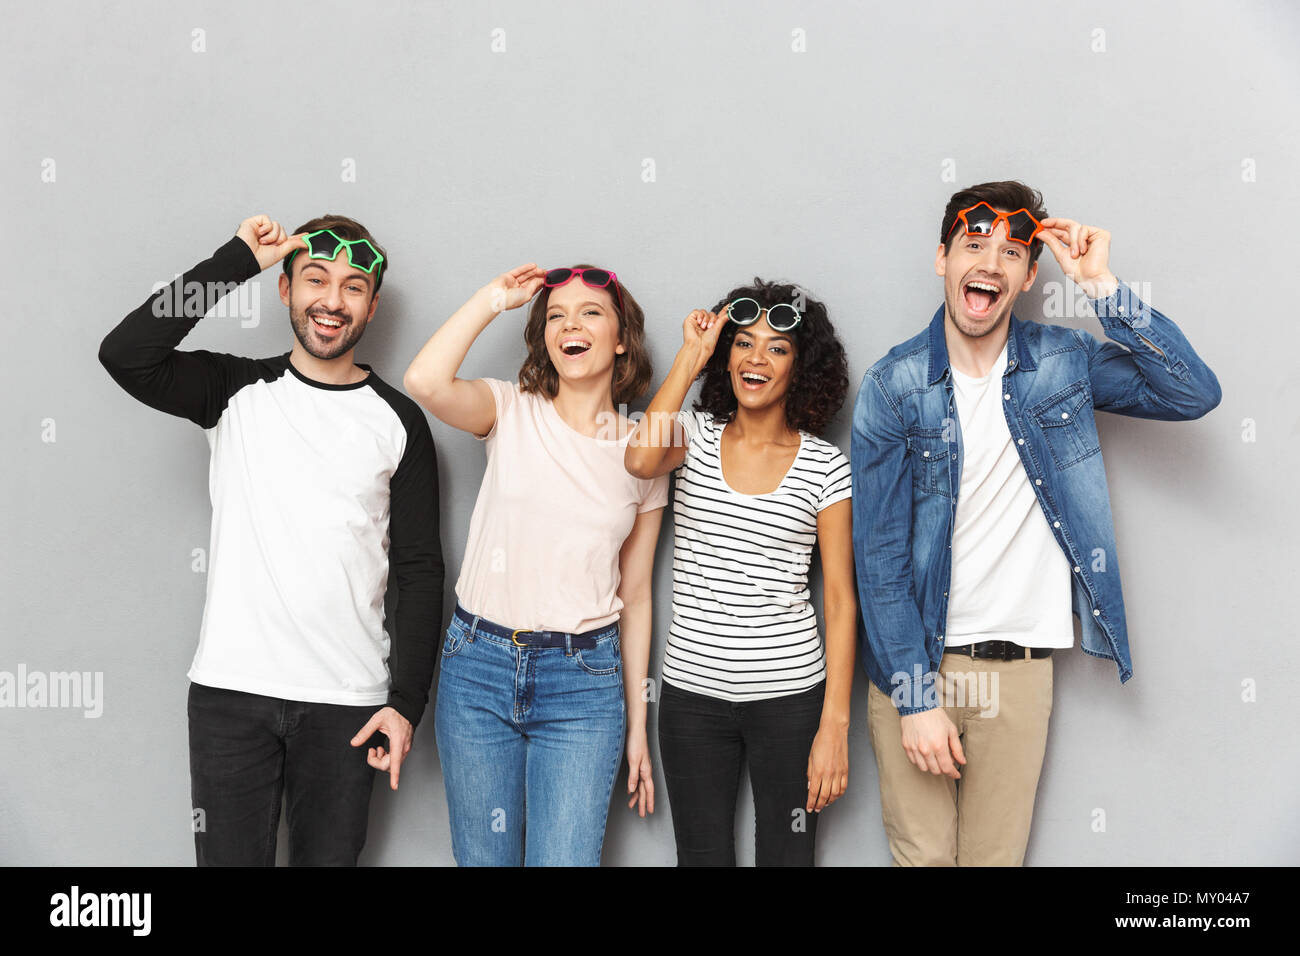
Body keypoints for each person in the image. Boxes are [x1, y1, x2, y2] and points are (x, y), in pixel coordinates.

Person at [852, 181, 1222, 866]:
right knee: (923, 861)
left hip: (1020, 673)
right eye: (974, 243)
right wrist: (914, 698)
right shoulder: (892, 386)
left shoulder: (1064, 363)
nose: (990, 262)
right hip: (918, 665)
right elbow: (877, 561)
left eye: (1012, 252)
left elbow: (1191, 391)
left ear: (1027, 277)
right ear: (943, 259)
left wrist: (1102, 284)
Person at [98, 214, 444, 866]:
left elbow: (422, 570)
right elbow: (125, 353)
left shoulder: (398, 422)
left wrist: (405, 706)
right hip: (232, 696)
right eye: (315, 279)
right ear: (284, 289)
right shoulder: (234, 391)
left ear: (371, 305)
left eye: (353, 287)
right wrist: (234, 260)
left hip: (348, 704)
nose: (332, 301)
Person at [403, 263, 667, 866]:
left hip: (584, 682)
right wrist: (492, 298)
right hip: (477, 669)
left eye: (591, 312)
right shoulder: (508, 409)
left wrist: (636, 726)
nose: (570, 324)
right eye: (556, 316)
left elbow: (638, 595)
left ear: (622, 337)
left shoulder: (644, 454)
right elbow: (423, 379)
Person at [626, 281, 856, 866]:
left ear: (799, 367)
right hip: (692, 698)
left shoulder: (824, 465)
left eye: (777, 349)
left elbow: (840, 603)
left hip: (790, 698)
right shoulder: (694, 438)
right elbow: (638, 458)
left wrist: (834, 726)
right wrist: (690, 354)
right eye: (743, 344)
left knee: (788, 856)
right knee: (701, 858)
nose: (756, 359)